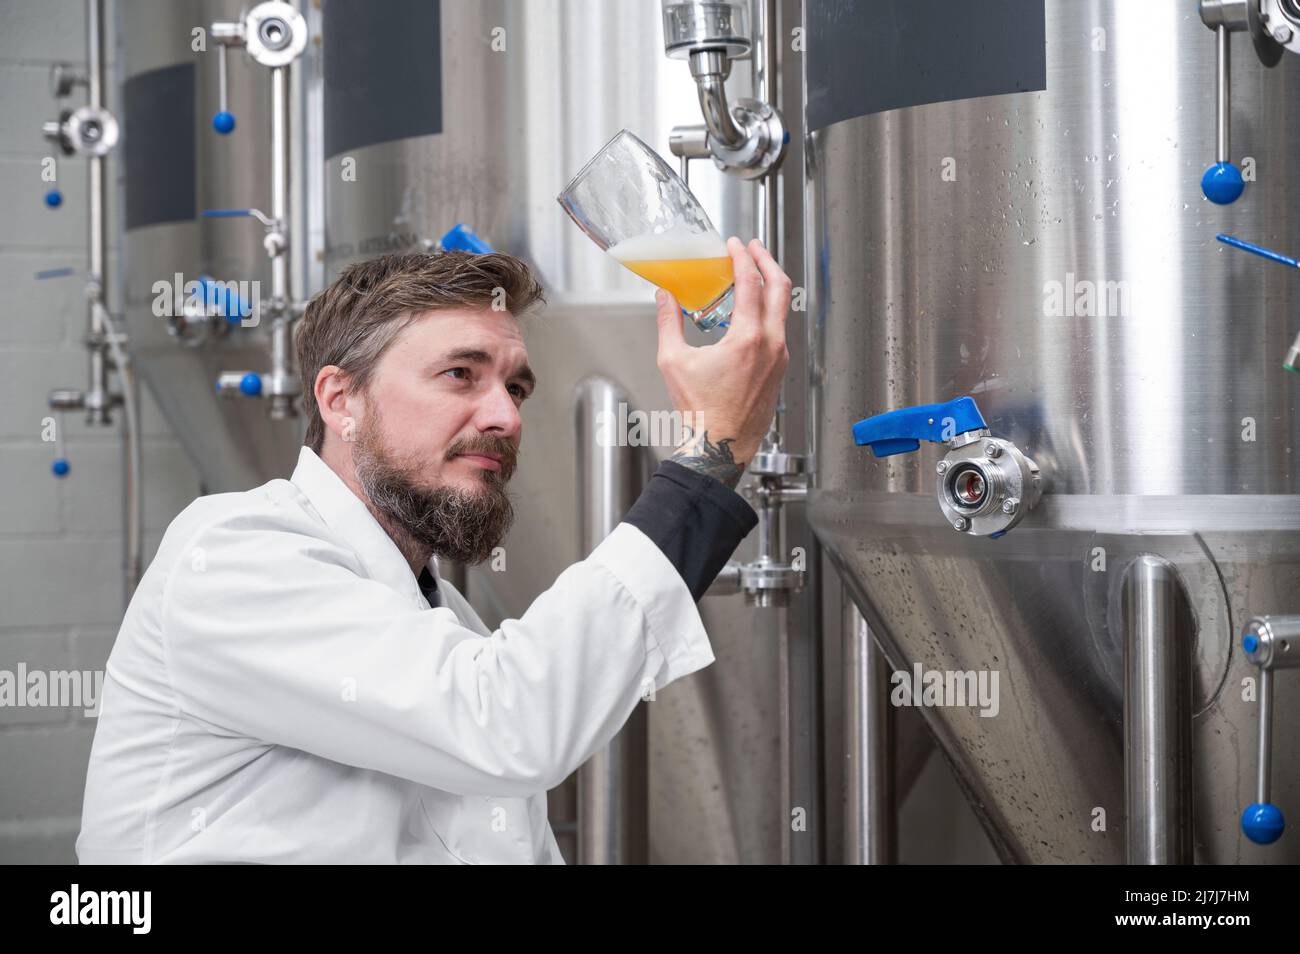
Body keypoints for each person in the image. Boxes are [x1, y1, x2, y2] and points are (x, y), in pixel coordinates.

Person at [76, 236, 790, 863]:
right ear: (340, 401)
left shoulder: (444, 622)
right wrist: (710, 456)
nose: (506, 415)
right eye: (460, 373)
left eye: (516, 386)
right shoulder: (232, 556)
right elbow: (510, 722)